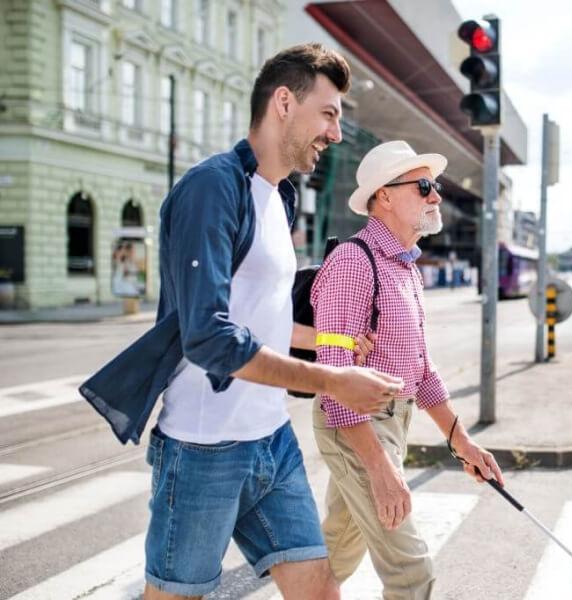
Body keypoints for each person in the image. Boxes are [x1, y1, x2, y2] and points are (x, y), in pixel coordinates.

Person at [140, 45, 403, 600]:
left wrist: (336, 343)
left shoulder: (278, 197)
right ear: (284, 102)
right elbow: (209, 336)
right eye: (329, 113)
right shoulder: (210, 188)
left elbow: (263, 319)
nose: (335, 133)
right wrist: (333, 381)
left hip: (271, 442)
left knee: (320, 592)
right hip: (202, 448)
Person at [310, 141, 505, 599]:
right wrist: (379, 468)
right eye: (423, 186)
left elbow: (420, 369)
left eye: (433, 186)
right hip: (356, 426)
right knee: (411, 572)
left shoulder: (405, 270)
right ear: (385, 196)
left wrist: (463, 442)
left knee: (334, 553)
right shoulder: (353, 263)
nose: (436, 195)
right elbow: (335, 377)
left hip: (391, 421)